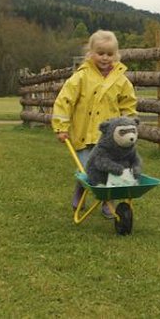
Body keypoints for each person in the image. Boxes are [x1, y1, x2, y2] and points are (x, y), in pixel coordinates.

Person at [52, 30, 138, 217]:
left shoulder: (121, 80)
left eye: (110, 54)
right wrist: (61, 126)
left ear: (116, 55)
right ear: (90, 53)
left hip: (111, 139)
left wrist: (129, 127)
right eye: (100, 53)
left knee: (111, 170)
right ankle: (80, 190)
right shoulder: (81, 77)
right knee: (87, 169)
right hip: (84, 133)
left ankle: (108, 203)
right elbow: (64, 100)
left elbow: (128, 105)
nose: (105, 58)